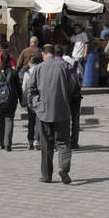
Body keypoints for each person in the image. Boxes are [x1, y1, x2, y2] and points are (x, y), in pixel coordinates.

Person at [33, 45, 74, 184]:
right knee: (63, 142)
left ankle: (46, 175)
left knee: (46, 145)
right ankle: (63, 167)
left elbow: (31, 90)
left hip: (43, 111)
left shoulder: (38, 68)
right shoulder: (63, 67)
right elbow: (71, 86)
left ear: (44, 55)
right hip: (61, 110)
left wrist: (36, 105)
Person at [0, 52, 21, 150]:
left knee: (1, 121)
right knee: (9, 120)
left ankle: (2, 142)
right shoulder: (14, 73)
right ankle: (8, 143)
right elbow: (18, 87)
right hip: (11, 100)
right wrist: (22, 99)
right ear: (10, 61)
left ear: (0, 60)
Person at [20, 51, 42, 151]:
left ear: (30, 63)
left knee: (31, 121)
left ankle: (30, 141)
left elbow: (24, 87)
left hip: (30, 99)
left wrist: (23, 100)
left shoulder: (27, 73)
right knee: (38, 121)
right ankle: (37, 141)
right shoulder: (41, 71)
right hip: (39, 98)